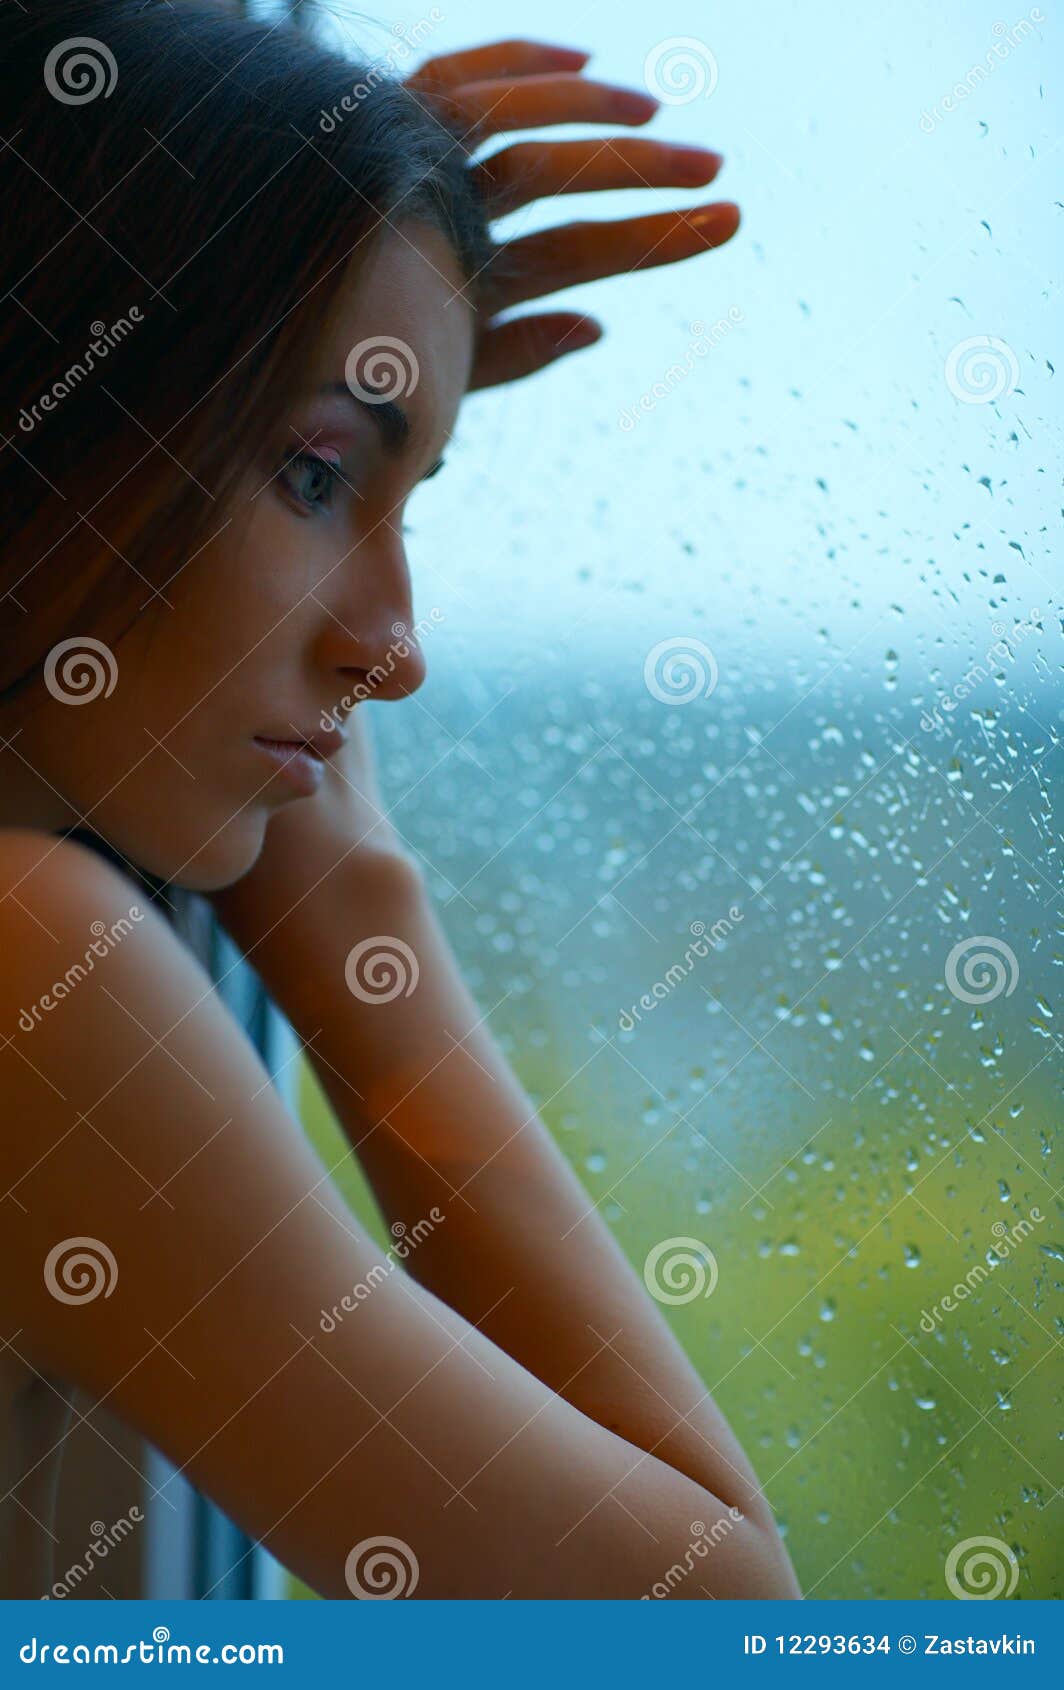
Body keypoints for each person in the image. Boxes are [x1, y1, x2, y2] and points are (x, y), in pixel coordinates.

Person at [0, 0, 799, 1600]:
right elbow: (713, 1626)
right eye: (315, 475)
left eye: (412, 490)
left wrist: (302, 271)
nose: (396, 649)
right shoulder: (30, 968)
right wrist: (346, 886)